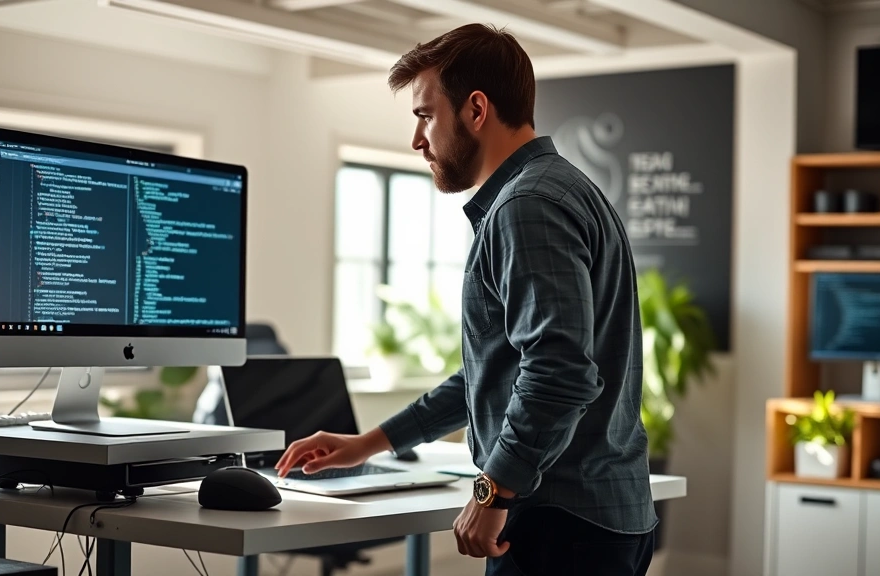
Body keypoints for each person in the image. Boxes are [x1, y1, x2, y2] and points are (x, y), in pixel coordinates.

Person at [275, 23, 657, 576]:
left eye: (425, 115)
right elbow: (494, 373)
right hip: (594, 521)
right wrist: (370, 443)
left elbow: (559, 371)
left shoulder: (526, 206)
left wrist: (490, 491)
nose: (417, 140)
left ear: (476, 109)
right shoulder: (564, 188)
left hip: (560, 526)